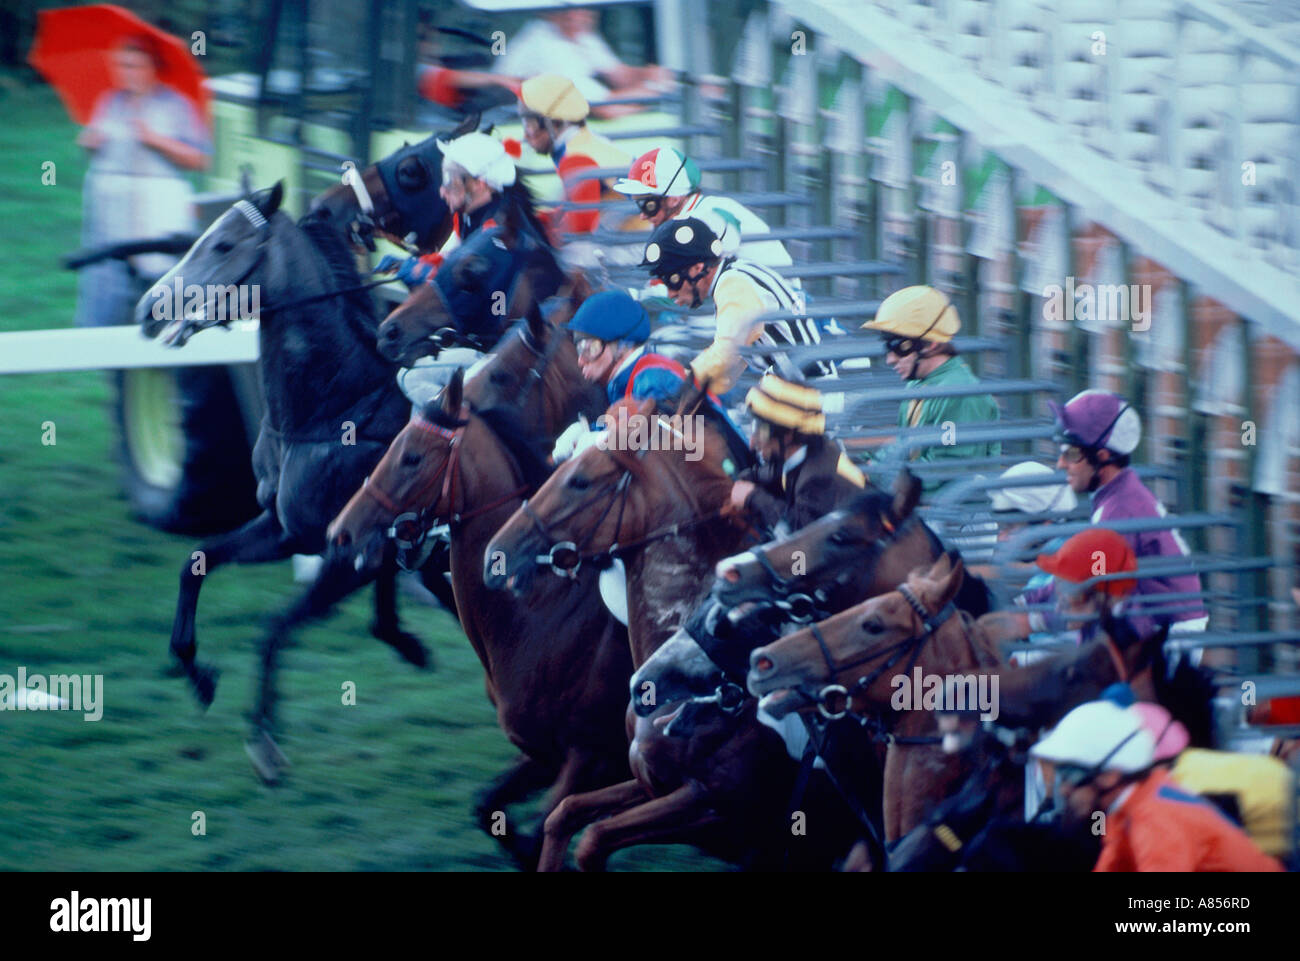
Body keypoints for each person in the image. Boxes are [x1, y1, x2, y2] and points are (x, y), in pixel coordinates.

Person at [1030, 700, 1283, 871]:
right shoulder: (1135, 801)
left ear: (1110, 776)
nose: (1063, 789)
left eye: (1070, 775)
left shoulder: (1154, 820)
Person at [1050, 389, 1209, 653]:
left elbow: (1095, 595)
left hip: (1168, 635)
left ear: (1102, 457)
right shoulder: (1116, 495)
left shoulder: (1119, 509)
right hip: (1157, 623)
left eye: (1071, 453)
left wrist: (1033, 616)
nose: (1060, 464)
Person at [76, 33, 211, 328]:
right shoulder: (111, 102)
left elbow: (200, 158)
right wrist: (90, 143)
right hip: (113, 204)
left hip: (158, 203)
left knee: (156, 267)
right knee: (111, 271)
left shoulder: (175, 105)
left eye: (134, 66)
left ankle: (164, 325)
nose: (126, 73)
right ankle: (110, 334)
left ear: (152, 68)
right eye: (121, 65)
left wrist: (156, 140)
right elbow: (96, 142)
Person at [551, 289, 748, 467]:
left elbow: (666, 441)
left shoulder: (653, 378)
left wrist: (601, 439)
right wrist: (585, 430)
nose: (580, 361)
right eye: (579, 349)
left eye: (589, 348)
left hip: (727, 471)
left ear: (621, 346)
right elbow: (630, 422)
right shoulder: (627, 380)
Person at [640, 211, 814, 396]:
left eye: (672, 279)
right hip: (796, 389)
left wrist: (683, 384)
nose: (670, 293)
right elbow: (731, 366)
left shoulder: (733, 284)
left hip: (810, 395)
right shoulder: (733, 276)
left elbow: (726, 351)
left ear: (697, 268)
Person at [860, 286, 1001, 488]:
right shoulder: (917, 384)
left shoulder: (960, 395)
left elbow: (947, 468)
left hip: (953, 514)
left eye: (898, 347)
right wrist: (867, 467)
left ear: (932, 344)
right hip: (918, 503)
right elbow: (902, 445)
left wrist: (883, 479)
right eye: (887, 347)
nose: (890, 359)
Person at [612, 146, 792, 268]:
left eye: (647, 205)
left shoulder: (705, 218)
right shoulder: (689, 218)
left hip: (775, 311)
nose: (643, 216)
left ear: (674, 199)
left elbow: (694, 285)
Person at [730, 373, 864, 536]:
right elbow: (778, 473)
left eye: (762, 431)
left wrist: (753, 497)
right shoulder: (807, 454)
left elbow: (797, 535)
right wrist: (746, 478)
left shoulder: (818, 477)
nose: (753, 442)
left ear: (788, 435)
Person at [517, 73, 632, 241]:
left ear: (552, 122)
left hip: (633, 240)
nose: (526, 134)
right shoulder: (582, 143)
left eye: (529, 122)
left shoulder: (574, 156)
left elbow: (580, 226)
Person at [495, 7, 672, 114]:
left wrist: (650, 74)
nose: (585, 14)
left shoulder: (580, 34)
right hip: (522, 132)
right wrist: (659, 91)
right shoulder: (543, 44)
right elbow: (607, 108)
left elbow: (619, 74)